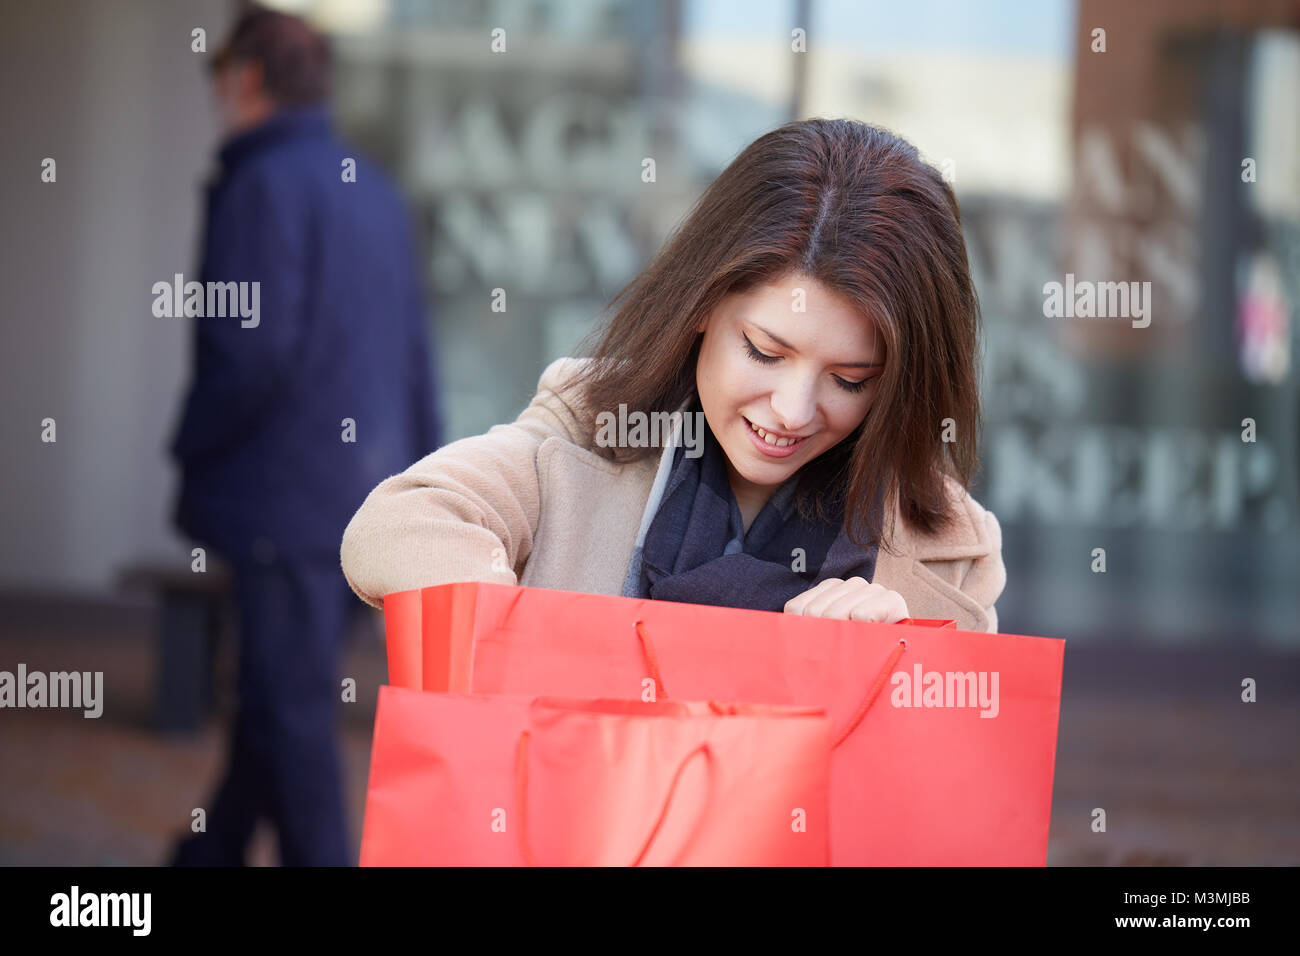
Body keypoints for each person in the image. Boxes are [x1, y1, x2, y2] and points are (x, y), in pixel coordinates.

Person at [340, 119, 1002, 632]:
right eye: (766, 353)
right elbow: (400, 523)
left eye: (851, 380)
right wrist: (537, 645)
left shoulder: (951, 547)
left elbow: (948, 789)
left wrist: (887, 661)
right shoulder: (594, 426)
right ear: (702, 307)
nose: (794, 410)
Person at [166, 6, 442, 865]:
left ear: (247, 79)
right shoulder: (374, 186)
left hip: (282, 501)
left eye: (220, 75)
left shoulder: (260, 184)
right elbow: (413, 353)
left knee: (289, 718)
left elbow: (247, 353)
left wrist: (188, 447)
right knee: (273, 702)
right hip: (357, 500)